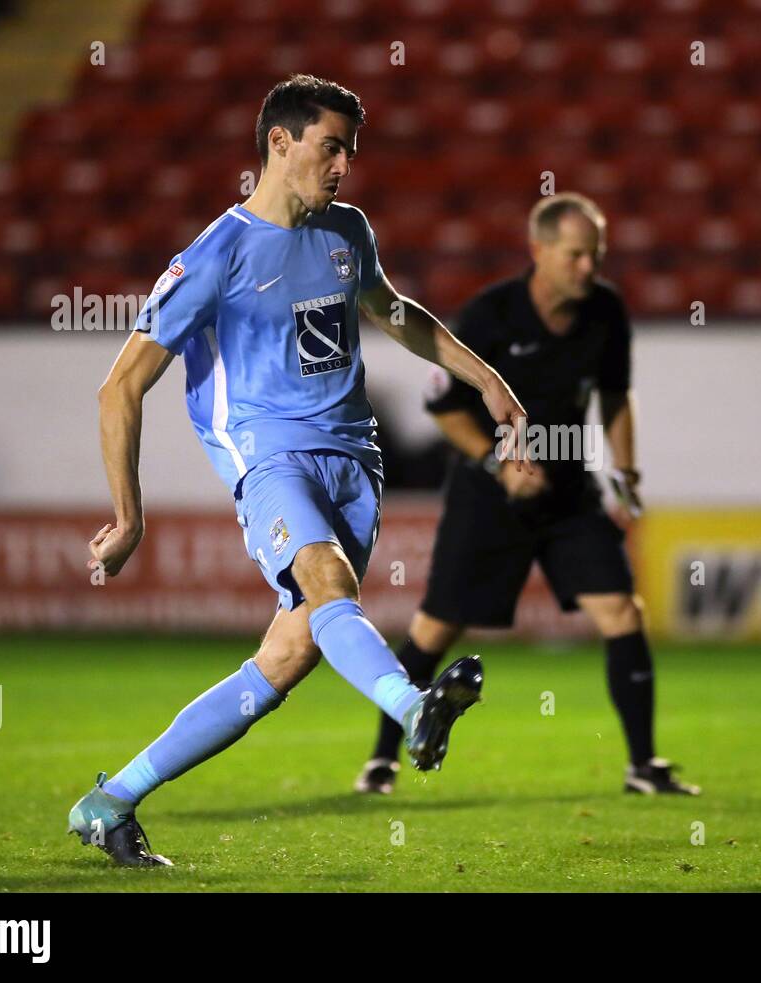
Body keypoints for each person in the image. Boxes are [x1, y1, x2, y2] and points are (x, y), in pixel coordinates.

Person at [67, 75, 528, 867]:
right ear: (279, 143)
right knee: (327, 583)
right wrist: (129, 516)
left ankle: (110, 800)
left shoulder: (347, 230)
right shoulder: (217, 256)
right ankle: (413, 708)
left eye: (350, 148)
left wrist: (481, 373)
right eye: (331, 145)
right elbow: (120, 387)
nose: (345, 163)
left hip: (356, 460)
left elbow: (393, 311)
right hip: (269, 455)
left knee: (284, 659)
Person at [353, 192, 700, 797]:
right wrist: (497, 462)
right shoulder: (490, 315)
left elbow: (616, 396)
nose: (588, 269)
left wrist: (627, 466)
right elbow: (444, 408)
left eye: (595, 256)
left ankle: (643, 765)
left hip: (567, 489)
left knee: (622, 612)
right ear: (538, 251)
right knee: (436, 628)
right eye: (575, 256)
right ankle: (383, 759)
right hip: (487, 494)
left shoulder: (606, 312)